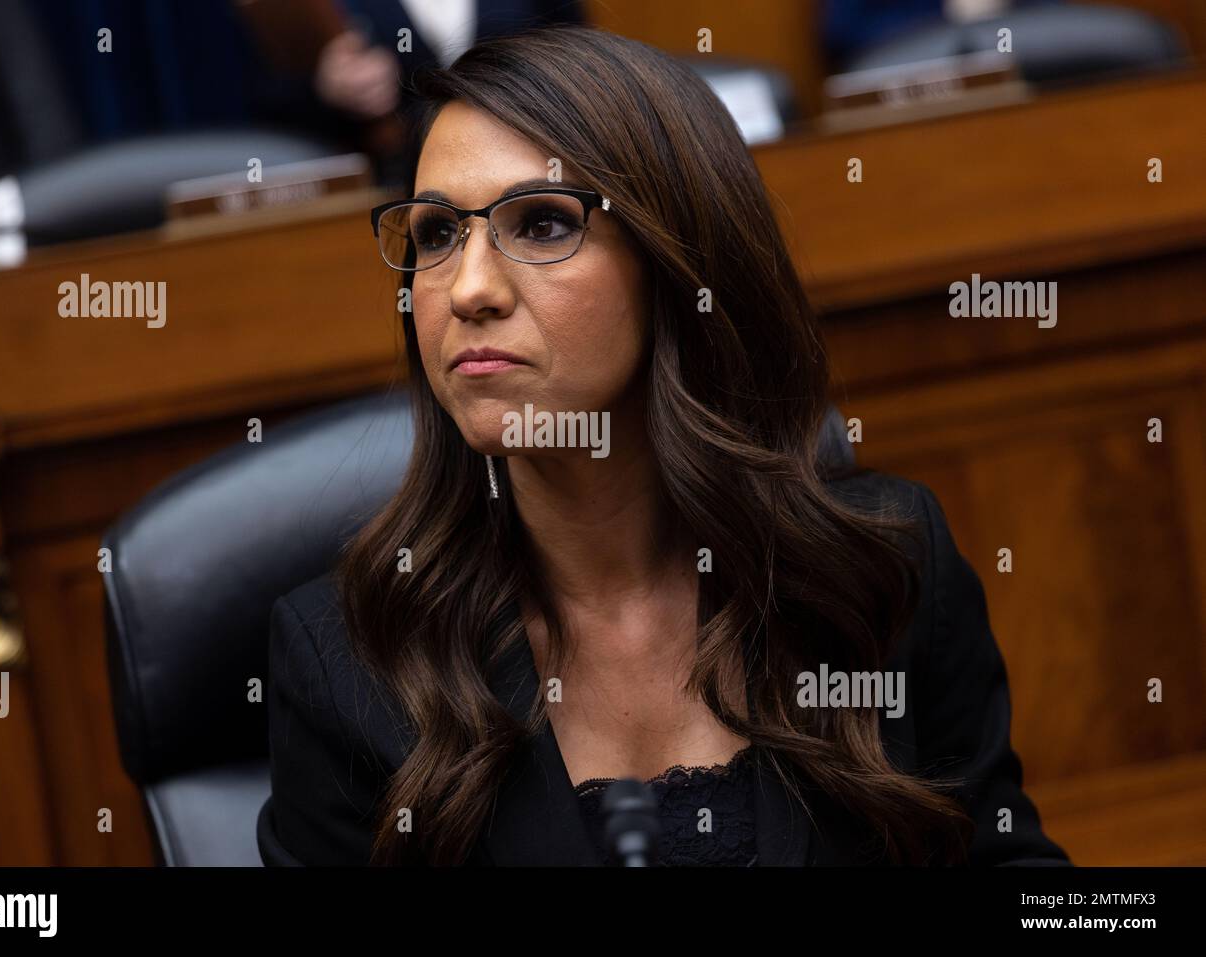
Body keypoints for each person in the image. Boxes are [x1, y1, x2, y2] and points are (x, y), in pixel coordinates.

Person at [256, 24, 1071, 867]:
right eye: (435, 235)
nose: (467, 290)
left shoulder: (879, 571)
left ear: (679, 263)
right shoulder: (351, 661)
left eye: (539, 224)